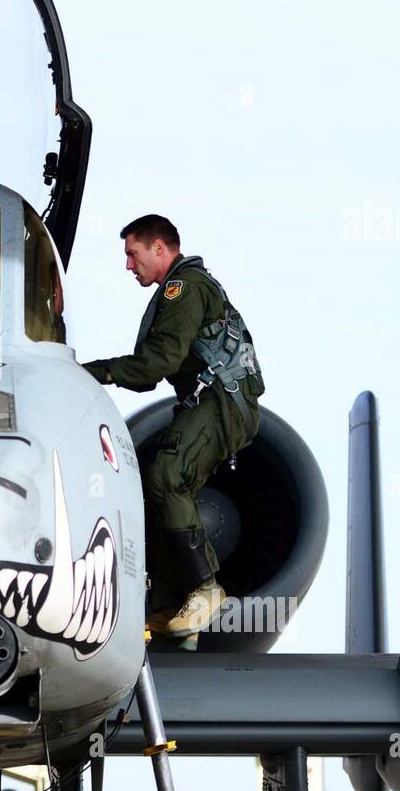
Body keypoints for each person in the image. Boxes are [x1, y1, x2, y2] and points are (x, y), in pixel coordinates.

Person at [82, 214, 264, 645]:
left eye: (133, 253)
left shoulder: (184, 288)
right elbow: (148, 373)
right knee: (156, 486)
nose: (129, 265)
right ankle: (169, 603)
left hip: (221, 402)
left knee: (166, 474)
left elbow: (157, 363)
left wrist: (84, 373)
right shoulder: (176, 291)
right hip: (207, 401)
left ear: (159, 248)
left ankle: (205, 588)